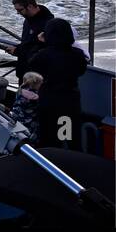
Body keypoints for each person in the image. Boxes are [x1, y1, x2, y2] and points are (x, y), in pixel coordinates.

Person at [28, 17, 87, 149]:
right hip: (70, 102)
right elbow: (82, 70)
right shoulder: (78, 54)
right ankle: (71, 164)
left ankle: (52, 166)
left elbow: (32, 64)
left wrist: (42, 43)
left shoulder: (43, 55)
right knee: (68, 137)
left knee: (50, 140)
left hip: (50, 102)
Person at [9, 0, 53, 80]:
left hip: (35, 76)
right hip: (24, 72)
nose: (18, 13)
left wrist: (17, 51)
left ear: (30, 6)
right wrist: (17, 47)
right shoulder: (28, 19)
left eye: (20, 10)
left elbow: (40, 50)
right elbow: (28, 42)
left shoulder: (48, 24)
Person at [8, 71, 43, 142]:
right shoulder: (35, 96)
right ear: (36, 85)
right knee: (31, 133)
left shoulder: (20, 90)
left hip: (18, 115)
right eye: (40, 84)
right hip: (30, 119)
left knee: (19, 130)